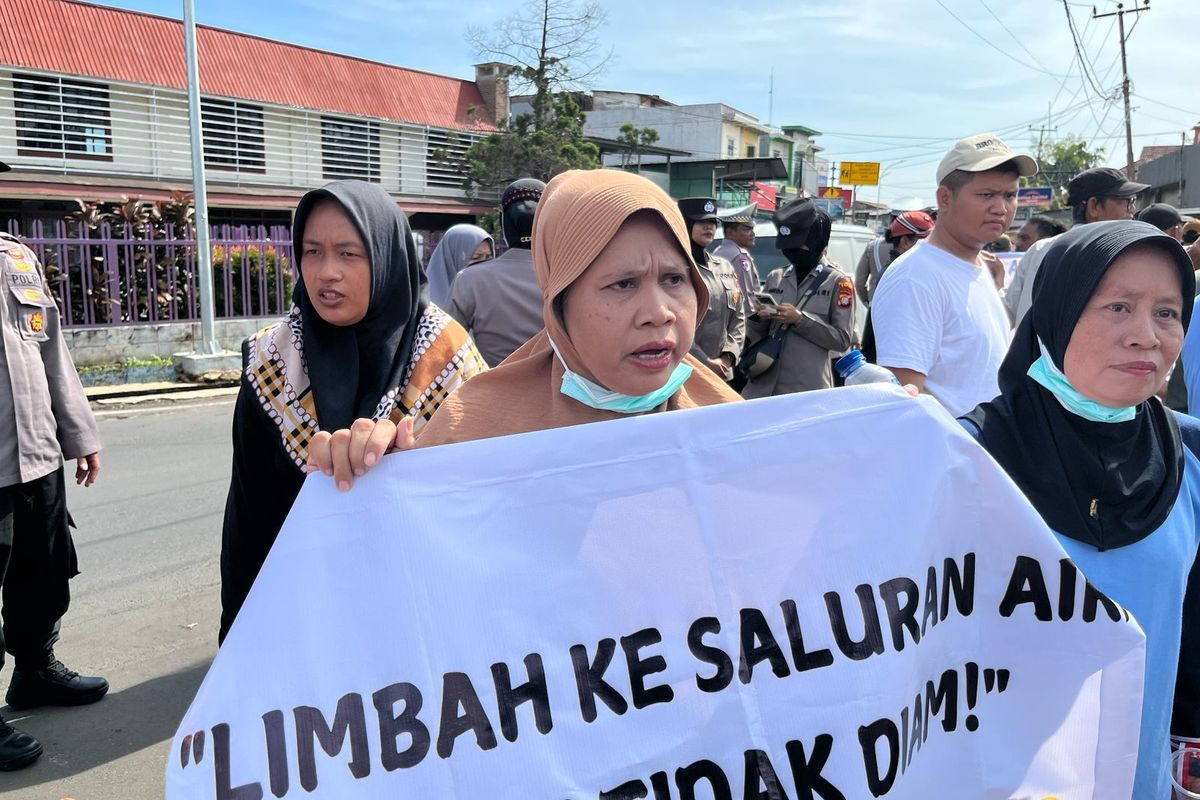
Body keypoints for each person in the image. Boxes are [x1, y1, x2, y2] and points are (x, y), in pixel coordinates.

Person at [961, 220, 1199, 800]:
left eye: (1168, 313)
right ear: (1058, 313)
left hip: (1138, 780)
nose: (1146, 336)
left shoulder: (1190, 456)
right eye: (1118, 307)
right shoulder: (966, 458)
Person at [306, 169, 742, 480]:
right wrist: (384, 479)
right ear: (558, 302)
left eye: (674, 279)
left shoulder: (743, 432)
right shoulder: (468, 439)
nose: (659, 312)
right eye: (623, 283)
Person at [219, 180, 487, 642]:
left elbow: (479, 509)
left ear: (385, 255)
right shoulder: (274, 359)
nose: (325, 273)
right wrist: (240, 639)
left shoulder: (448, 359)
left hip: (417, 618)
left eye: (348, 254)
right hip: (303, 616)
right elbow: (250, 515)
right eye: (311, 252)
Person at [0, 157, 108, 771]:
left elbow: (51, 349)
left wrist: (80, 433)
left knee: (44, 573)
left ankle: (35, 671)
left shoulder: (15, 256)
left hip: (36, 453)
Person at [871, 133, 1036, 417]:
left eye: (1010, 195)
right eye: (987, 195)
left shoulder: (977, 265)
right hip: (952, 456)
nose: (1001, 208)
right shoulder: (915, 277)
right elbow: (903, 404)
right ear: (945, 199)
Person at [741, 197, 855, 397]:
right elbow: (757, 335)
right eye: (787, 249)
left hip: (806, 391)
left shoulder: (838, 282)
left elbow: (842, 340)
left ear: (816, 243)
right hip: (763, 385)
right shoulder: (776, 277)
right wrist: (759, 317)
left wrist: (800, 320)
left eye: (798, 247)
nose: (791, 254)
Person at [1005, 167, 1148, 325]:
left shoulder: (1040, 249)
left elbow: (1007, 312)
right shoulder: (1111, 254)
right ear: (1094, 207)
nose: (1132, 211)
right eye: (1127, 201)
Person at [446, 179, 546, 367]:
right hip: (561, 392)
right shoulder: (571, 278)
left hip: (488, 390)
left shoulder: (470, 279)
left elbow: (447, 344)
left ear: (504, 223)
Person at [678, 197, 746, 381]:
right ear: (685, 224)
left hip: (722, 373)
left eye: (712, 222)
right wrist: (706, 362)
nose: (709, 227)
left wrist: (728, 356)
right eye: (701, 222)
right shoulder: (674, 269)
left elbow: (738, 316)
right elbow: (674, 327)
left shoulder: (723, 267)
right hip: (684, 372)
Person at [854, 210, 935, 305]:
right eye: (924, 241)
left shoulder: (909, 270)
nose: (932, 247)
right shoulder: (900, 277)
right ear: (905, 242)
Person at [425, 224, 493, 307]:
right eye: (476, 257)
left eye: (488, 257)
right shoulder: (427, 307)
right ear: (452, 258)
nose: (484, 264)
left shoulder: (494, 298)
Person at [712, 204, 761, 306]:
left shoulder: (717, 252)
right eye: (747, 229)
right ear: (730, 233)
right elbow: (746, 299)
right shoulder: (739, 257)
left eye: (752, 229)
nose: (752, 234)